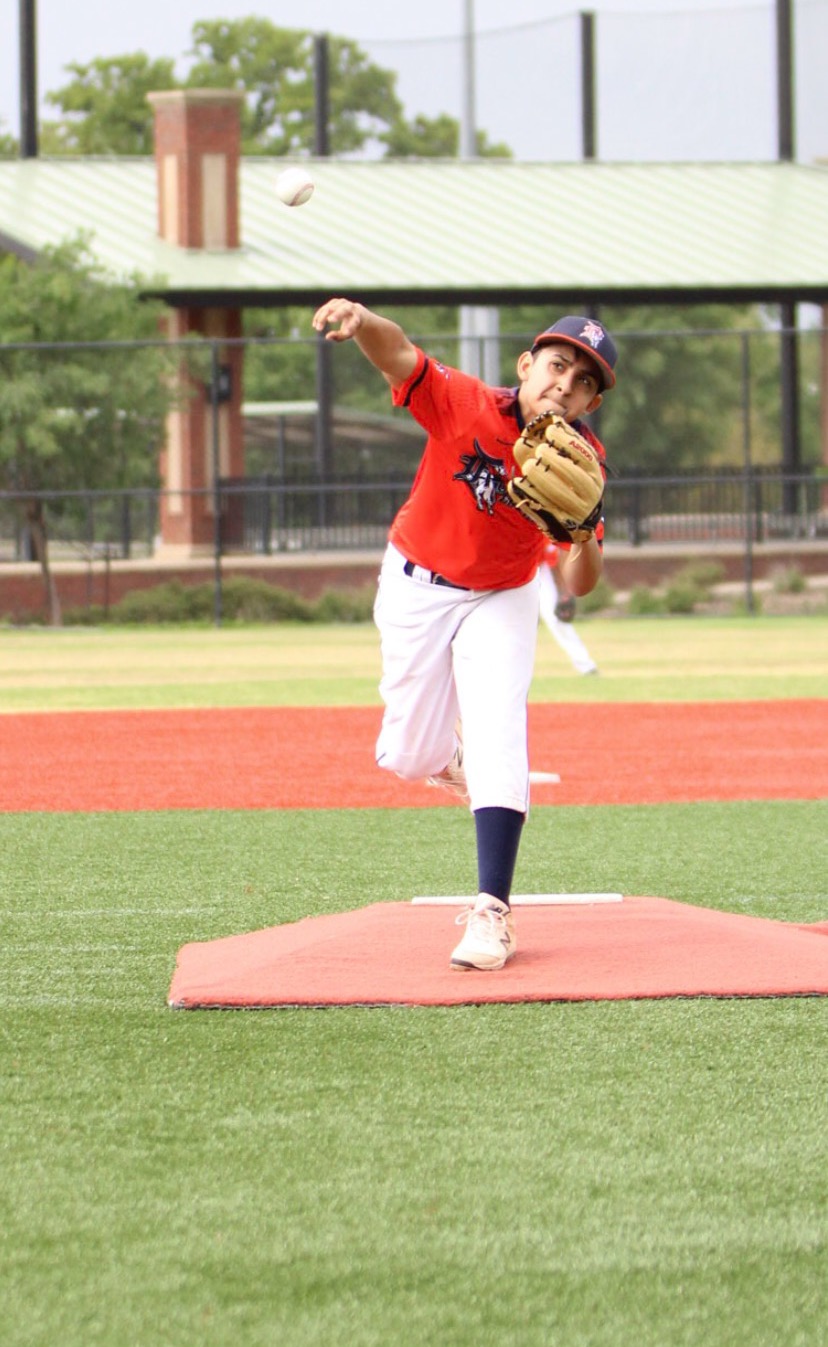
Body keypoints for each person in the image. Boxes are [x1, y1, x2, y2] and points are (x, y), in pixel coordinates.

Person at [311, 301, 617, 970]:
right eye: (558, 365)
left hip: (503, 595)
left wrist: (582, 529)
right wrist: (362, 322)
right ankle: (443, 756)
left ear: (592, 400)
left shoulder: (584, 459)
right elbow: (401, 356)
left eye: (584, 380)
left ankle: (492, 911)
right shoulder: (466, 403)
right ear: (526, 366)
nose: (566, 384)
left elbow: (579, 583)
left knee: (498, 730)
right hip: (417, 583)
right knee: (407, 756)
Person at [537, 539, 599, 675]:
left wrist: (564, 594)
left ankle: (586, 666)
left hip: (538, 568)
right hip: (502, 565)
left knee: (554, 618)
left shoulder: (544, 531)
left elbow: (554, 562)